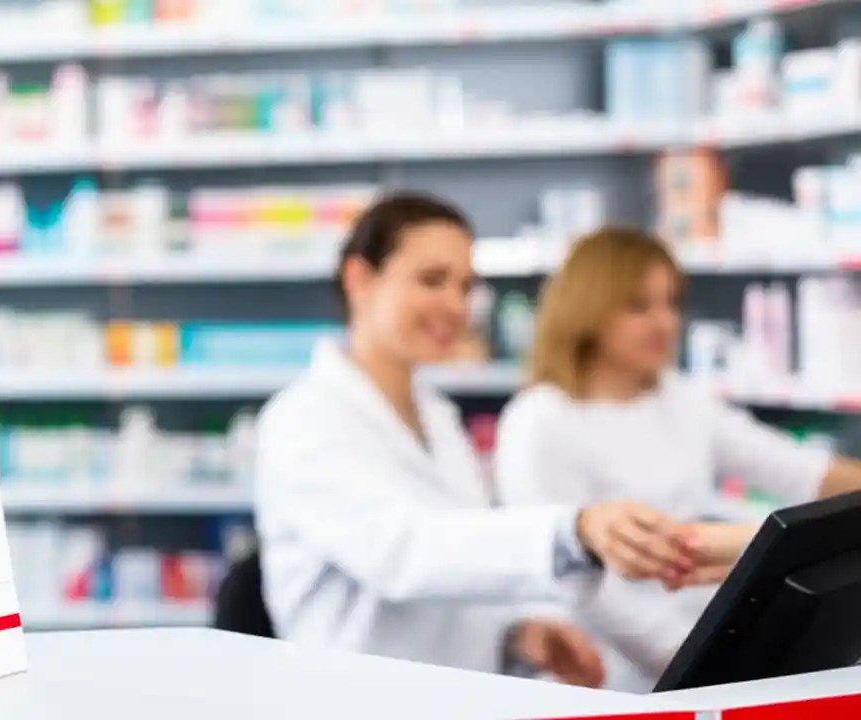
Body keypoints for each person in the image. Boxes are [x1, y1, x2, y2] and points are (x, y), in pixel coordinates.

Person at [254, 196, 732, 687]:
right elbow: (402, 553)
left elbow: (457, 569)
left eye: (465, 286)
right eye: (431, 280)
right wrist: (572, 531)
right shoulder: (304, 421)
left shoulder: (436, 417)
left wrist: (517, 636)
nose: (456, 306)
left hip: (452, 697)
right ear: (360, 280)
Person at [495, 226, 861, 691]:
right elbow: (577, 579)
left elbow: (801, 470)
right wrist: (686, 655)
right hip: (609, 670)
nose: (664, 322)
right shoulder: (541, 419)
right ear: (587, 309)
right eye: (639, 306)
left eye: (671, 303)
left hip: (709, 637)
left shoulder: (678, 398)